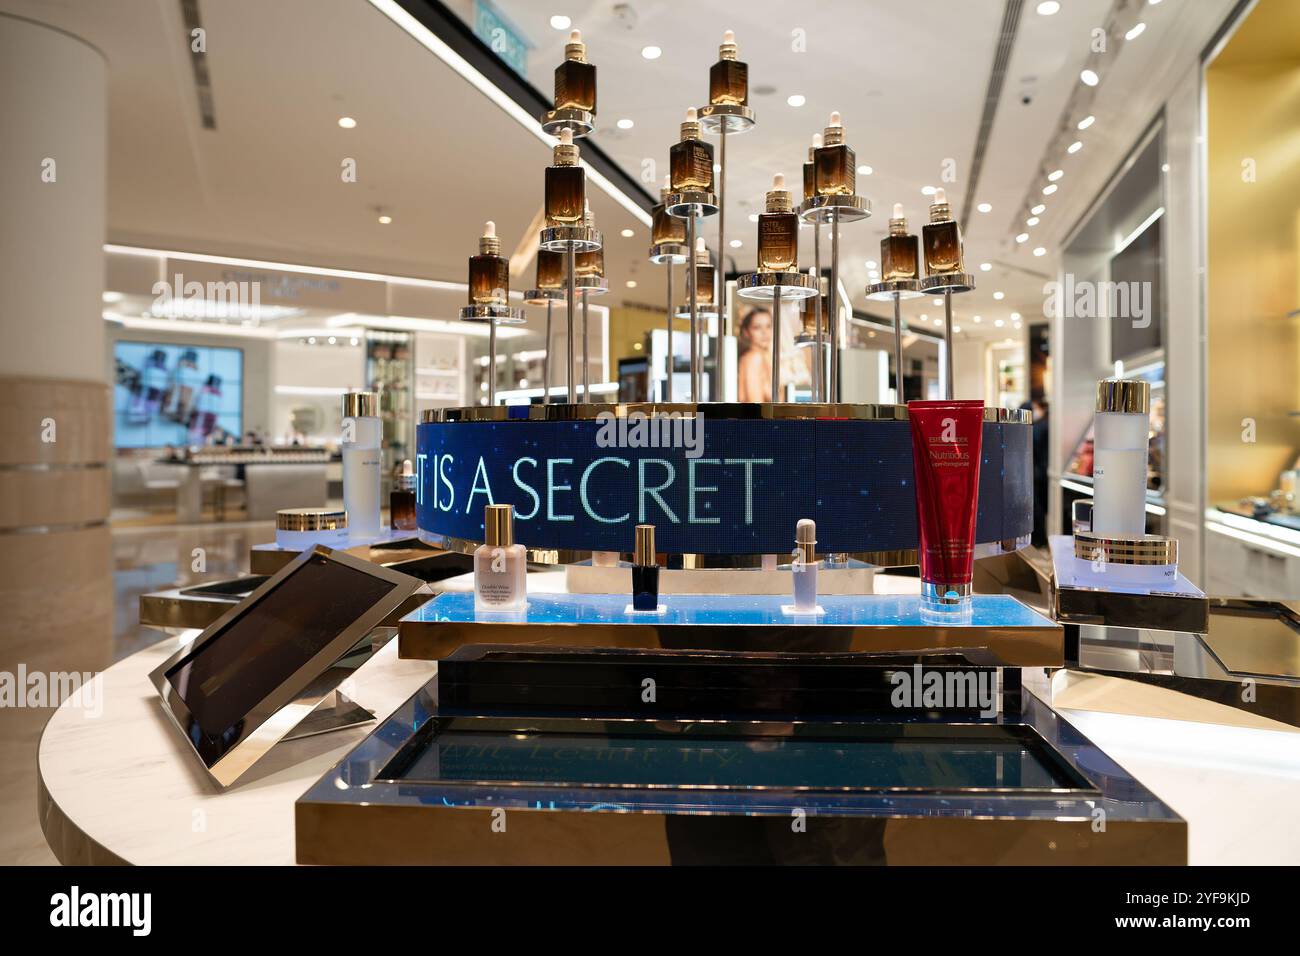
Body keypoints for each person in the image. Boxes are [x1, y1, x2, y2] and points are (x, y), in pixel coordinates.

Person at [737, 306, 773, 402]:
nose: (764, 332)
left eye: (768, 326)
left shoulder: (763, 357)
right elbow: (756, 407)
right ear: (746, 332)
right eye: (757, 327)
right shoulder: (754, 358)